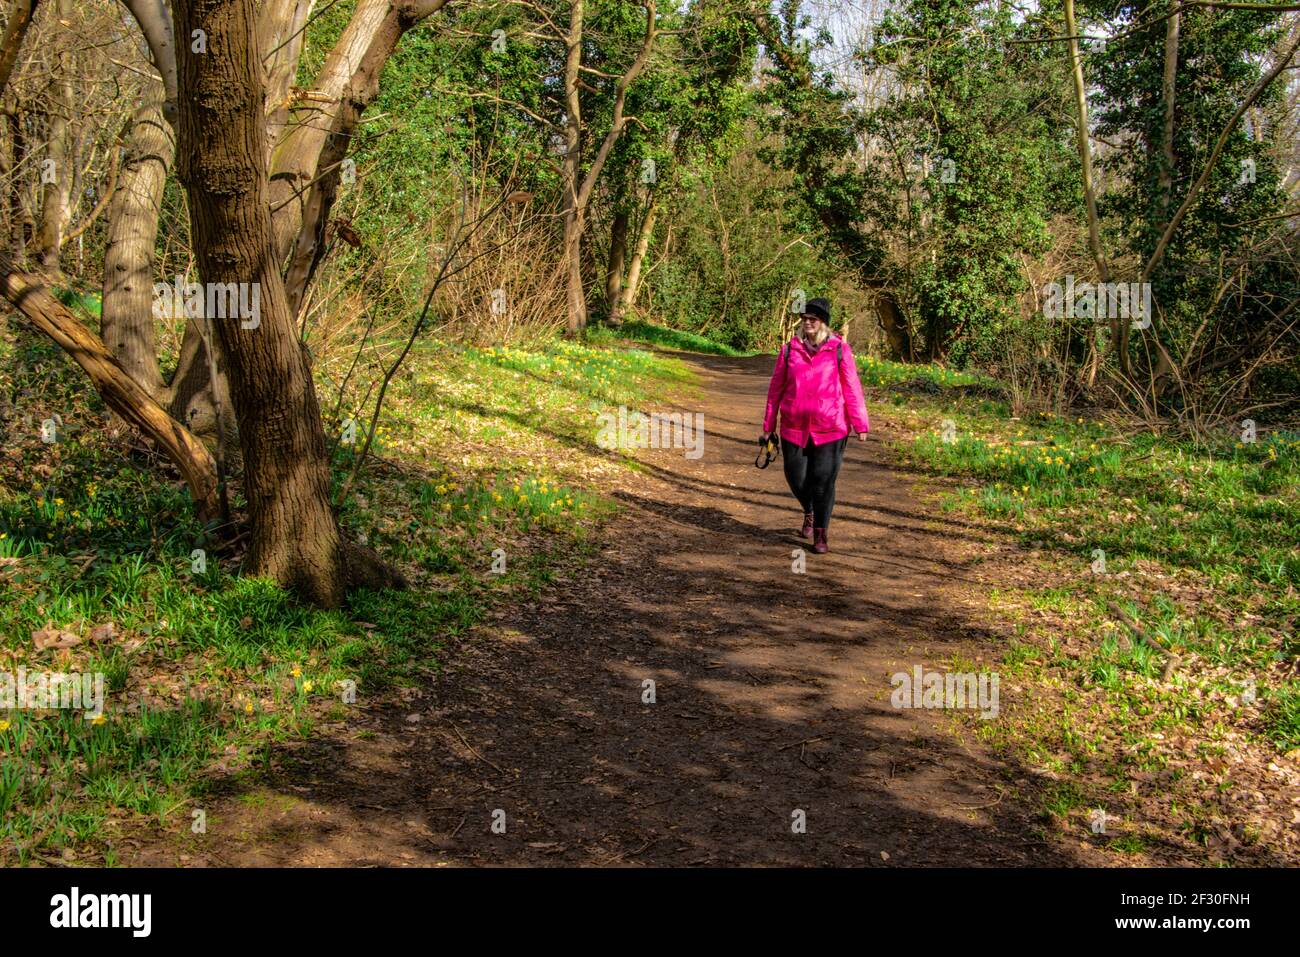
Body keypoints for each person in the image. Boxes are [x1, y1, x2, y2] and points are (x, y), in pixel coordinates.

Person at [760, 298, 870, 554]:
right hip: (793, 427)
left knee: (823, 482)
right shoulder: (789, 350)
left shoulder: (839, 349)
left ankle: (821, 533)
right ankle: (808, 510)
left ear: (824, 323)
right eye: (805, 318)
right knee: (796, 477)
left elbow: (852, 387)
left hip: (831, 427)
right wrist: (768, 425)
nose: (808, 322)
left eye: (814, 319)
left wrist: (860, 423)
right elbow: (775, 389)